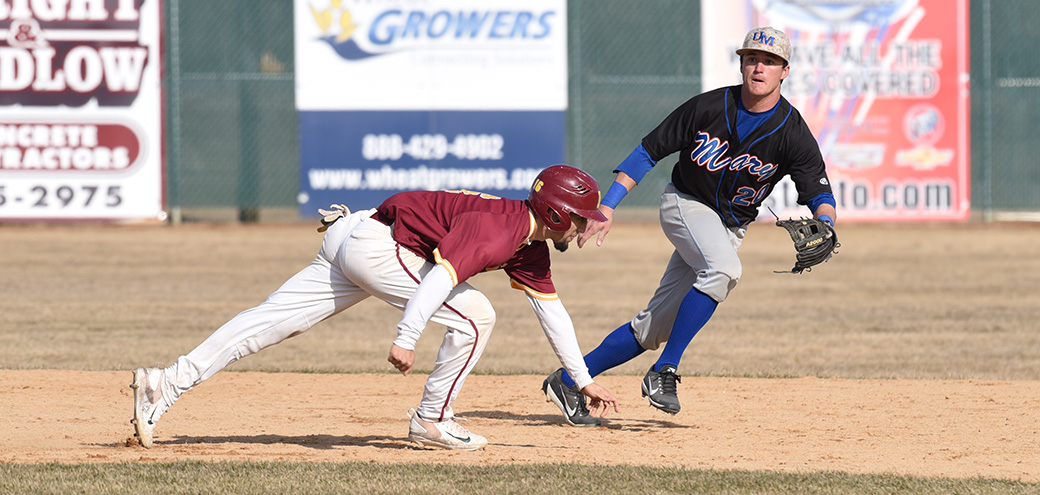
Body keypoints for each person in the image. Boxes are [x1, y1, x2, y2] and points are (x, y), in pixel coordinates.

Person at [131, 164, 620, 451]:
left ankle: (164, 383)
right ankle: (432, 419)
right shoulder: (500, 231)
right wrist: (407, 338)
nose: (585, 226)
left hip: (357, 235)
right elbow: (440, 281)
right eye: (581, 218)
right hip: (380, 246)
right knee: (476, 317)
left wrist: (583, 378)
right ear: (557, 213)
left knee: (266, 324)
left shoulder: (528, 244)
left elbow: (552, 313)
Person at [541, 27, 837, 425]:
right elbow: (649, 151)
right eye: (751, 59)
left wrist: (826, 223)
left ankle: (568, 379)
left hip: (729, 228)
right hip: (685, 204)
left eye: (768, 61)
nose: (758, 67)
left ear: (785, 71)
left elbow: (818, 189)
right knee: (724, 269)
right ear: (741, 64)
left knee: (652, 329)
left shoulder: (792, 131)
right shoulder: (709, 107)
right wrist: (608, 205)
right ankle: (665, 371)